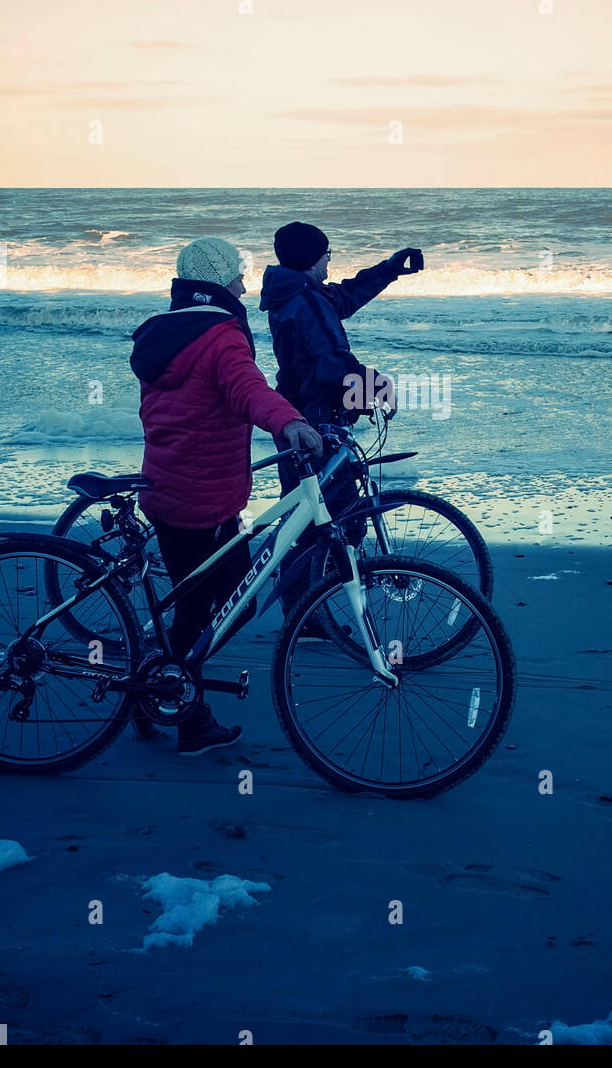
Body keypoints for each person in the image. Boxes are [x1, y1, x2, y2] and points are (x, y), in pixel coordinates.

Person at [130, 236, 322, 755]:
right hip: (202, 496)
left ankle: (149, 687)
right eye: (236, 273)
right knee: (211, 610)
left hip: (168, 485)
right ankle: (186, 717)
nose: (243, 283)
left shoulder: (164, 331)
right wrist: (291, 421)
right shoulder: (220, 334)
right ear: (217, 280)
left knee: (212, 599)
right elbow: (247, 388)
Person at [259, 222, 423, 612]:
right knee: (339, 521)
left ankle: (306, 613)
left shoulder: (295, 292)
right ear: (314, 257)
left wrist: (388, 269)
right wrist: (375, 385)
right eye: (328, 253)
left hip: (297, 418)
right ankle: (312, 612)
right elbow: (332, 362)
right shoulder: (305, 300)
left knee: (308, 519)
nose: (330, 259)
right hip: (315, 423)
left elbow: (344, 297)